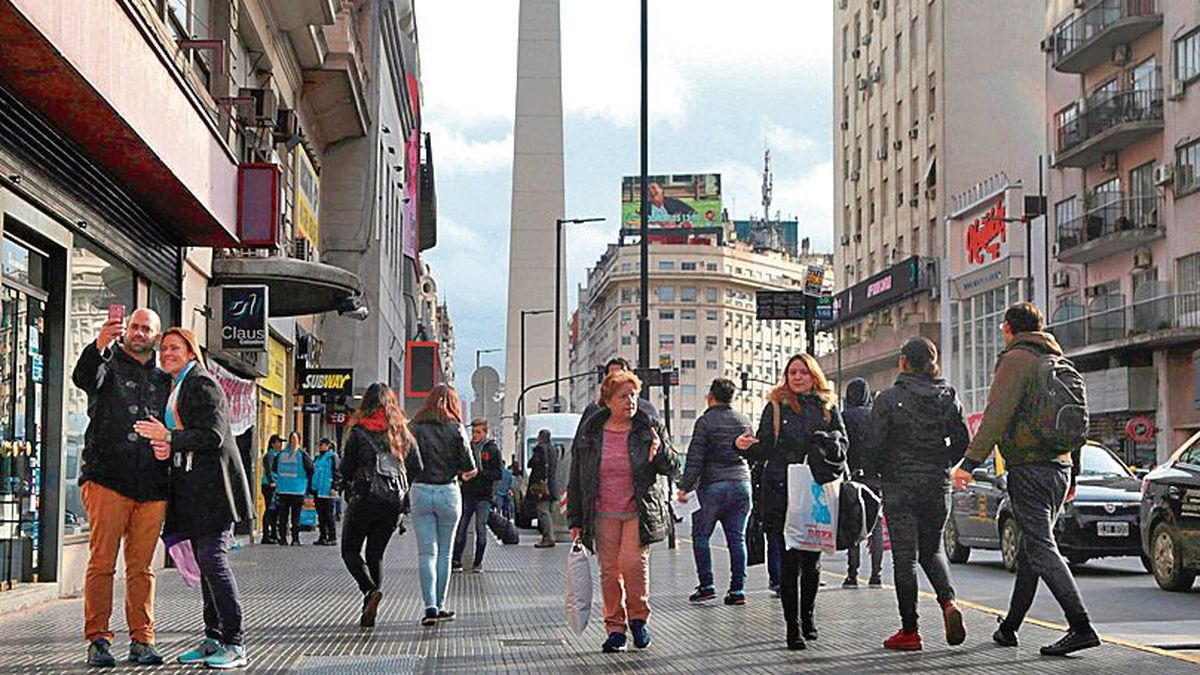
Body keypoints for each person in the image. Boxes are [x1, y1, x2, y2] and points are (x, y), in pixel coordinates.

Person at [952, 302, 1100, 657]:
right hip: (1060, 469)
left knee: (1042, 548)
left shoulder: (1016, 360)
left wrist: (969, 463)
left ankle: (1081, 626)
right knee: (1033, 550)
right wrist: (1074, 472)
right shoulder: (1058, 362)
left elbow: (996, 415)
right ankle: (1009, 628)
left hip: (1030, 468)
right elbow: (1075, 426)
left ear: (1007, 328)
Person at [134, 328, 253, 669]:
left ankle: (235, 642)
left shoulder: (201, 383)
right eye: (164, 348)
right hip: (195, 491)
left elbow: (213, 435)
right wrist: (165, 445)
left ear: (190, 352)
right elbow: (187, 439)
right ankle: (214, 638)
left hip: (215, 491)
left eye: (175, 348)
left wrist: (169, 436)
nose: (167, 353)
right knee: (205, 563)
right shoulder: (180, 385)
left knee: (213, 561)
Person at [72, 308, 171, 667]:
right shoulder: (106, 366)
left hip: (152, 485)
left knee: (142, 568)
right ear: (125, 330)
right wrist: (100, 341)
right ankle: (98, 639)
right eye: (135, 326)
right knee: (102, 563)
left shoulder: (165, 380)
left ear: (156, 336)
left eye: (147, 328)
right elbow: (83, 377)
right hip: (107, 478)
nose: (140, 333)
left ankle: (143, 639)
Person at [736, 353, 848, 651]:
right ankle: (792, 627)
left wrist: (830, 442)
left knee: (811, 562)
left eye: (803, 372)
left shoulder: (827, 408)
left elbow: (844, 446)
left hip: (816, 493)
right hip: (781, 493)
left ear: (814, 376)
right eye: (792, 373)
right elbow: (764, 448)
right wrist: (744, 447)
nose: (797, 377)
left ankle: (808, 617)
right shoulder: (775, 407)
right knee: (788, 563)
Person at [867, 338, 970, 651]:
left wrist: (880, 474)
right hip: (937, 485)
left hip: (899, 486)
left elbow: (873, 446)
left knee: (905, 558)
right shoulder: (948, 396)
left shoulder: (887, 399)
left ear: (903, 362)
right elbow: (964, 440)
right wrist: (944, 464)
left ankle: (910, 631)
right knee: (932, 550)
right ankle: (948, 604)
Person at [568, 370, 678, 654]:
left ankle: (639, 619)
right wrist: (576, 520)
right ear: (607, 401)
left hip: (637, 510)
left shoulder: (648, 426)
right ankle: (615, 627)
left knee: (632, 563)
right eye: (623, 396)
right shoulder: (592, 431)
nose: (630, 401)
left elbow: (673, 466)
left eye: (633, 395)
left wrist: (660, 452)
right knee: (609, 570)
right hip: (602, 510)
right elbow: (578, 475)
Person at [339, 383, 421, 628]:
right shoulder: (402, 433)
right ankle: (369, 605)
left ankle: (369, 590)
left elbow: (346, 468)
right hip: (392, 504)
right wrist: (403, 486)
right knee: (376, 555)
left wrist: (347, 484)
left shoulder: (359, 432)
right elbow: (418, 466)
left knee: (350, 551)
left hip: (364, 498)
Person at [676, 378, 753, 606]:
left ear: (711, 395)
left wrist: (684, 487)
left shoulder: (705, 421)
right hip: (741, 484)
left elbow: (695, 458)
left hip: (712, 487)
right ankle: (737, 590)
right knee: (737, 539)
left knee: (701, 536)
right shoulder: (743, 420)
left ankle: (707, 586)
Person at [410, 385, 477, 626]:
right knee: (445, 553)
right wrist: (460, 473)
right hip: (449, 492)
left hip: (420, 491)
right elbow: (470, 468)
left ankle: (428, 606)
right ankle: (440, 605)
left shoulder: (414, 427)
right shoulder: (456, 428)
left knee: (426, 552)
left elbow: (406, 462)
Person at [842, 377, 883, 588]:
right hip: (876, 478)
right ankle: (876, 575)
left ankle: (852, 575)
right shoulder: (876, 415)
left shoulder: (844, 417)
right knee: (875, 525)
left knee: (854, 523)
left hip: (852, 478)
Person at [452, 418, 502, 572]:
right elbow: (457, 467)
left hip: (483, 496)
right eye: (473, 432)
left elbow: (497, 473)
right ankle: (456, 560)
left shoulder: (492, 450)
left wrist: (479, 473)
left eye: (478, 432)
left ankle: (478, 562)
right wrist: (463, 475)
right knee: (460, 529)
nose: (475, 435)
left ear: (485, 432)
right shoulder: (466, 448)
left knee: (481, 529)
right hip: (467, 494)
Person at [274, 432, 313, 546]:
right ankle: (290, 539)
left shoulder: (282, 454)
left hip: (290, 490)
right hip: (291, 490)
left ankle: (289, 539)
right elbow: (310, 469)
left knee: (289, 516)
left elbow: (274, 468)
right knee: (289, 516)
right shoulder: (302, 454)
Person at [528, 429, 559, 548]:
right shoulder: (554, 449)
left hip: (542, 486)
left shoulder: (540, 449)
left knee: (543, 512)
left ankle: (548, 538)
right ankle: (548, 536)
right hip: (552, 485)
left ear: (540, 437)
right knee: (548, 512)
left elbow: (532, 464)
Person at [312, 438, 341, 546]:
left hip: (328, 490)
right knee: (321, 515)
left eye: (322, 445)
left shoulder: (332, 458)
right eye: (319, 445)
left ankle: (332, 537)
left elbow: (337, 473)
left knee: (329, 515)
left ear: (328, 445)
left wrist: (334, 487)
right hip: (318, 490)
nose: (320, 447)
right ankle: (322, 536)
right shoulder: (318, 458)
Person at [260, 435, 283, 545]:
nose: (280, 445)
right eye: (279, 442)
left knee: (275, 511)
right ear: (273, 443)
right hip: (269, 486)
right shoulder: (269, 455)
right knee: (269, 510)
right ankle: (265, 535)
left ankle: (274, 533)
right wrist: (272, 481)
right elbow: (268, 469)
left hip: (278, 485)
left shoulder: (278, 455)